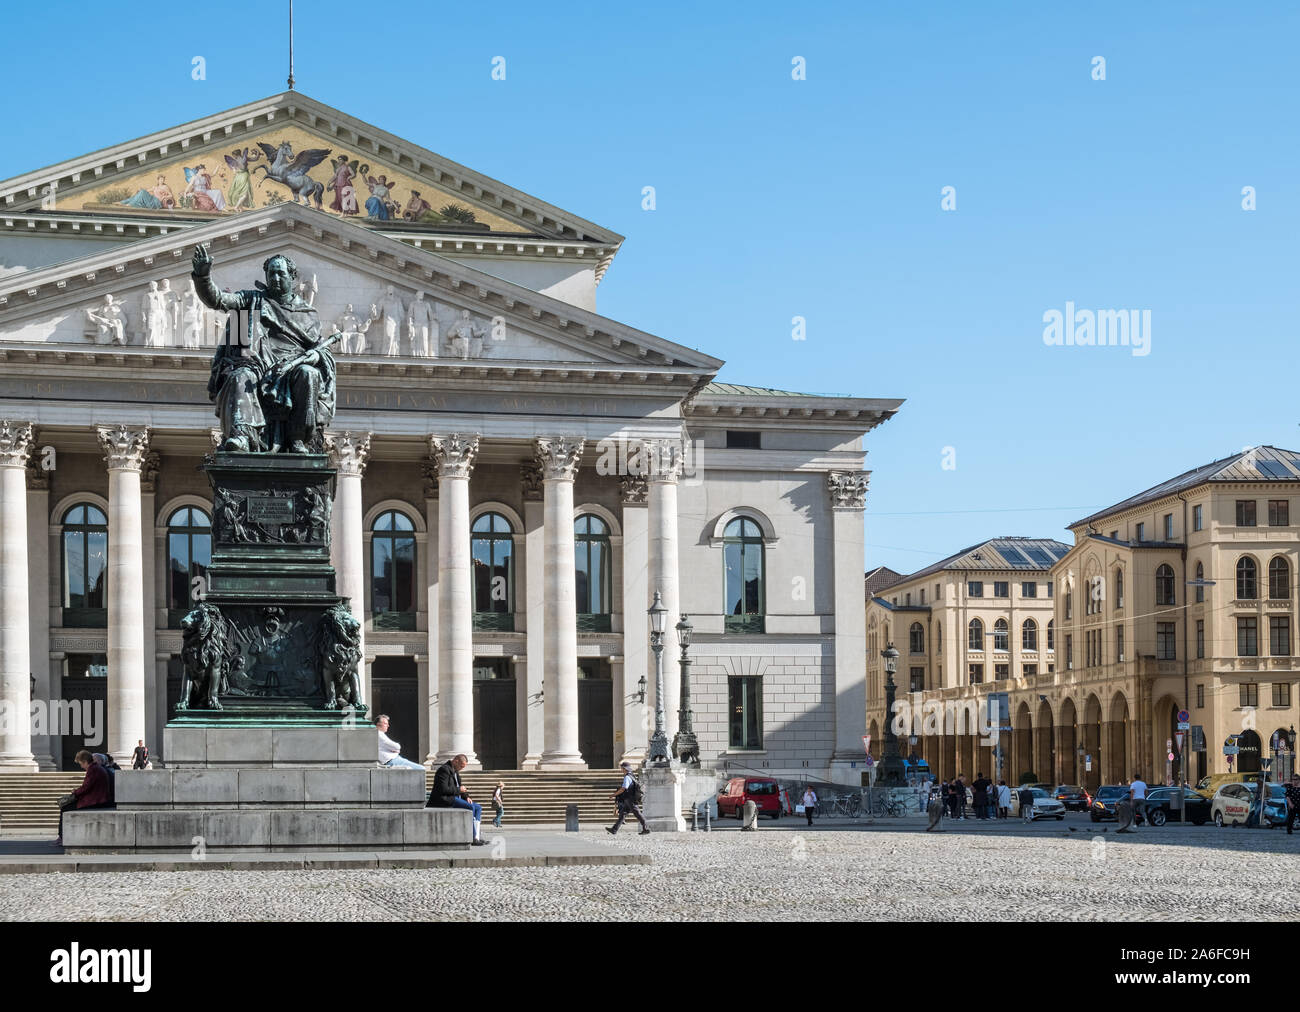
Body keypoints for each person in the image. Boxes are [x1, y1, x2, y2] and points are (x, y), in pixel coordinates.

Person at [426, 753, 485, 846]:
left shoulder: (455, 771)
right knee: (470, 808)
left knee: (478, 807)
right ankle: (472, 837)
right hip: (444, 799)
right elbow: (443, 789)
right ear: (456, 761)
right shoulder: (444, 770)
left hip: (453, 797)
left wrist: (466, 796)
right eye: (461, 766)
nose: (462, 768)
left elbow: (460, 786)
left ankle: (476, 836)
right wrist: (459, 790)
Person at [57, 749, 113, 845]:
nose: (81, 767)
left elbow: (86, 787)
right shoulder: (96, 768)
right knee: (67, 806)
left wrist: (75, 793)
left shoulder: (93, 769)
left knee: (65, 808)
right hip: (98, 798)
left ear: (85, 762)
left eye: (81, 764)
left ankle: (62, 837)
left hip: (96, 800)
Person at [608, 760, 649, 835]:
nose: (621, 770)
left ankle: (646, 828)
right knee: (622, 814)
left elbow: (624, 788)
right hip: (629, 799)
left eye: (622, 768)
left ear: (624, 768)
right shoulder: (632, 775)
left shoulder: (627, 777)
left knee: (638, 814)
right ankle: (614, 829)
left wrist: (614, 795)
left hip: (630, 799)